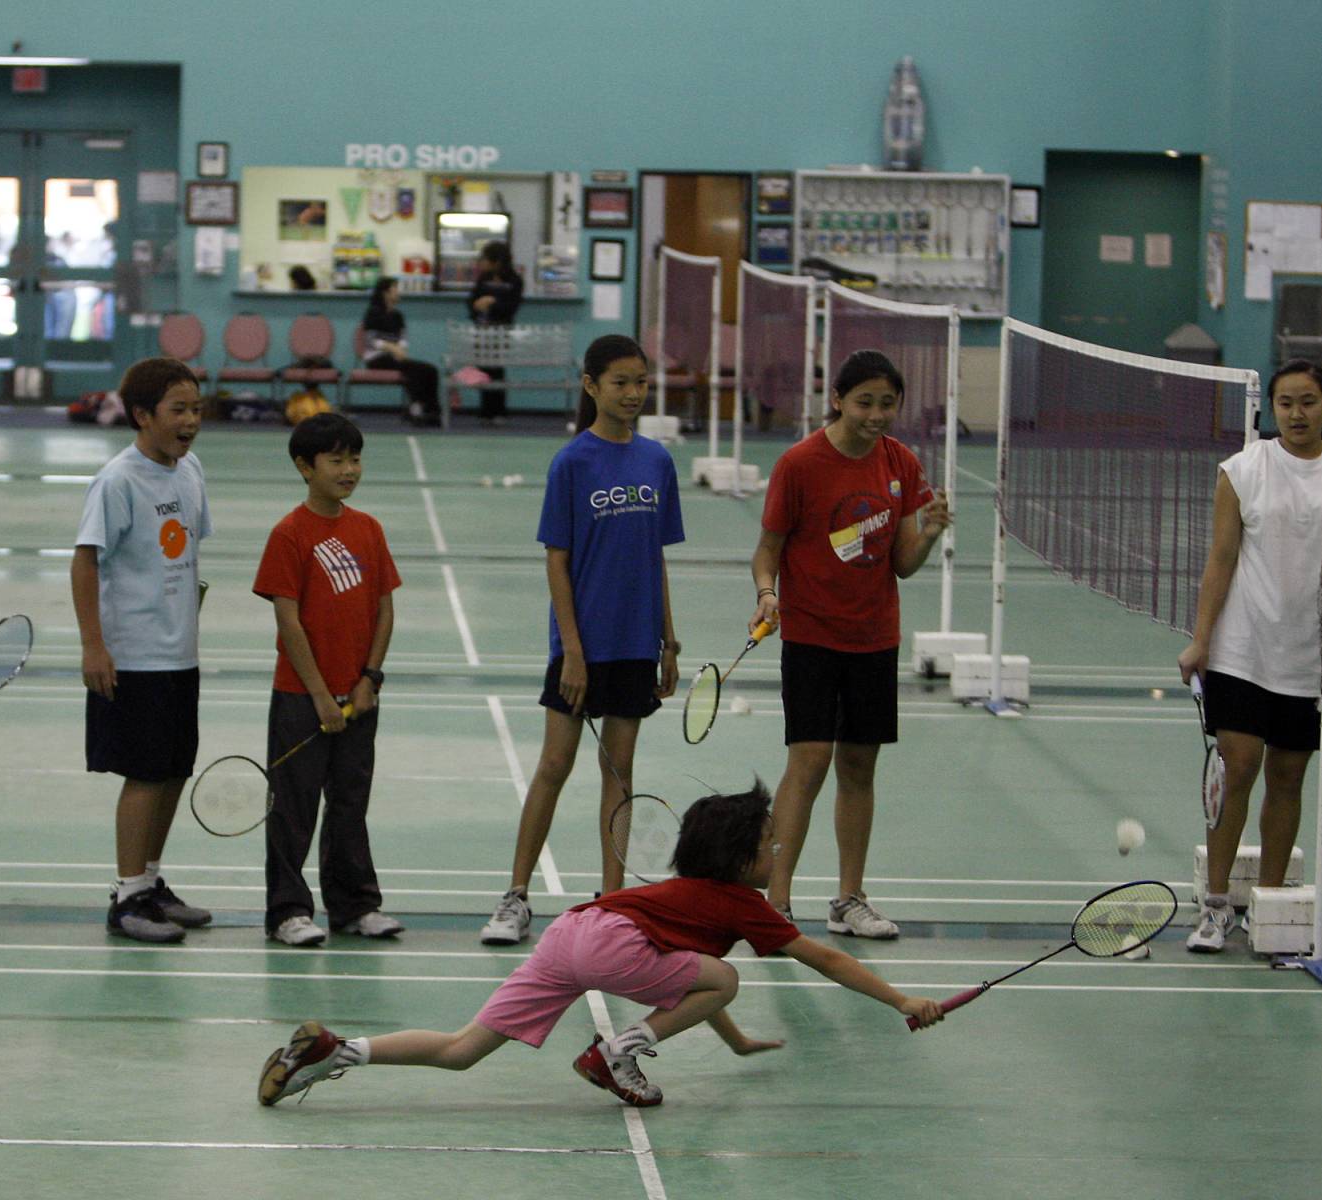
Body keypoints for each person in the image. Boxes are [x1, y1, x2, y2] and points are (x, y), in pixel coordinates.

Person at [260, 785, 945, 1108]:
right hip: (614, 944)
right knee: (723, 981)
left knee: (461, 1049)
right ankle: (616, 1053)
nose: (777, 849)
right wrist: (900, 998)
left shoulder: (693, 898)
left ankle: (335, 1051)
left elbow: (692, 984)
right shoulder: (745, 905)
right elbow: (822, 957)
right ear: (740, 862)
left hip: (573, 932)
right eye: (769, 843)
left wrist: (736, 1044)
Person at [480, 336, 683, 945]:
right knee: (553, 765)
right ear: (591, 386)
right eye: (620, 382)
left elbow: (657, 559)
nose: (632, 393)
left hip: (635, 643)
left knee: (618, 773)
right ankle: (515, 896)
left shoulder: (656, 462)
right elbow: (557, 561)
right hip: (582, 645)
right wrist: (571, 649)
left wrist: (668, 641)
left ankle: (616, 903)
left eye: (640, 382)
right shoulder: (572, 462)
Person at [750, 349, 952, 939]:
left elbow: (903, 564)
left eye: (888, 403)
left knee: (859, 767)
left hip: (874, 637)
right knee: (808, 762)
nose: (877, 414)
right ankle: (778, 903)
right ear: (838, 399)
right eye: (865, 402)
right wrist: (767, 593)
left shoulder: (900, 464)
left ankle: (848, 900)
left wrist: (930, 533)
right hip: (813, 634)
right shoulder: (800, 463)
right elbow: (768, 548)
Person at [1177, 360, 1322, 953]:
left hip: (1314, 654)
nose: (1296, 413)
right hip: (1243, 646)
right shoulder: (1242, 470)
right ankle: (1215, 906)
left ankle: (1268, 907)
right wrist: (1200, 638)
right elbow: (1221, 558)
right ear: (1272, 409)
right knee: (1239, 768)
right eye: (1286, 402)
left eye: (1308, 401)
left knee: (1288, 778)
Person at [72, 356, 216, 944]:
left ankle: (151, 883)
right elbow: (85, 562)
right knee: (145, 774)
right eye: (178, 410)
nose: (190, 421)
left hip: (179, 651)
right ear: (141, 415)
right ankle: (127, 895)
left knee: (175, 768)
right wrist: (93, 648)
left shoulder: (190, 470)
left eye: (196, 410)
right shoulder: (118, 480)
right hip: (132, 656)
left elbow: (183, 559)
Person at [253, 413, 404, 945]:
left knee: (349, 804)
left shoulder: (368, 529)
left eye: (355, 459)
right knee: (293, 808)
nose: (349, 470)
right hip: (302, 699)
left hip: (360, 696)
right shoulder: (288, 534)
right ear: (304, 466)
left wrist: (370, 679)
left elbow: (384, 609)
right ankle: (287, 913)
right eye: (336, 460)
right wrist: (319, 694)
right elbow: (288, 621)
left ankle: (354, 906)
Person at [360, 276, 441, 425]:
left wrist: (401, 349)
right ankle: (416, 409)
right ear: (385, 293)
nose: (398, 292)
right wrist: (393, 348)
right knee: (413, 370)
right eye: (395, 289)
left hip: (395, 358)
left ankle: (432, 411)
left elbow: (403, 338)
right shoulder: (373, 312)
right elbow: (370, 340)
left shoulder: (398, 316)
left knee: (430, 370)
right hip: (376, 358)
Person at [466, 240, 522, 425]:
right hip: (482, 329)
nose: (482, 263)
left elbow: (512, 306)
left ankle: (499, 410)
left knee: (497, 369)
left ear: (496, 261)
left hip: (501, 330)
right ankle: (485, 410)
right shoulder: (483, 278)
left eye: (486, 259)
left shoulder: (514, 280)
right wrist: (476, 306)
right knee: (483, 369)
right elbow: (471, 301)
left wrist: (493, 303)